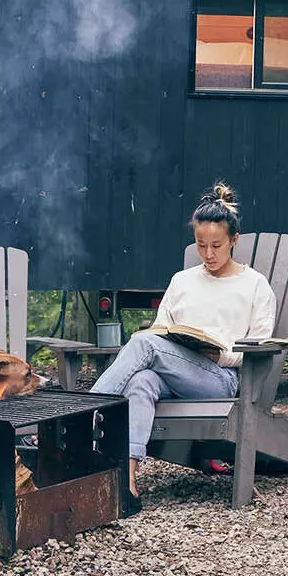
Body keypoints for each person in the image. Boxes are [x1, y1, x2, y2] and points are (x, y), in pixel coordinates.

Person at [90, 182, 276, 516]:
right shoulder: (183, 280)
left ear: (235, 240)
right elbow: (161, 329)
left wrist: (219, 355)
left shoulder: (254, 285)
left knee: (143, 343)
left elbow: (260, 346)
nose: (208, 254)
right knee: (140, 381)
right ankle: (128, 484)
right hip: (175, 374)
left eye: (216, 245)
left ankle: (80, 415)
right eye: (200, 244)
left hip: (223, 381)